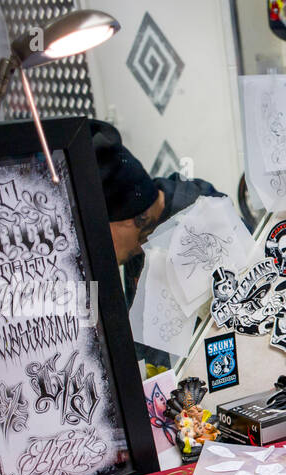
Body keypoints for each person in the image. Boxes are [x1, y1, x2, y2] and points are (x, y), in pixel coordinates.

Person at [91, 121, 223, 367]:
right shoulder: (141, 241)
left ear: (129, 219)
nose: (97, 247)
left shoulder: (205, 221)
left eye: (100, 233)